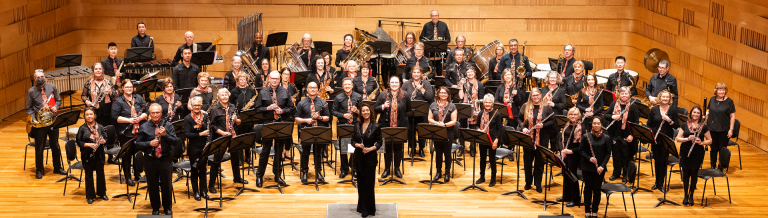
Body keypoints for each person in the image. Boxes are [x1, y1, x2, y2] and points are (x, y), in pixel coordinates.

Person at [254, 71, 296, 187]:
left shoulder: (285, 91)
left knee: (279, 151)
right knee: (265, 151)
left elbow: (291, 109)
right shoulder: (262, 92)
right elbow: (257, 109)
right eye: (272, 79)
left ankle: (277, 175)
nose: (274, 81)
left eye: (277, 79)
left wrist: (282, 111)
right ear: (269, 79)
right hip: (268, 124)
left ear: (279, 79)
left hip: (280, 124)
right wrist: (267, 108)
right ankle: (259, 176)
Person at [135, 103, 178, 215]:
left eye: (157, 112)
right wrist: (149, 143)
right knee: (152, 185)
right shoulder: (144, 126)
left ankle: (167, 207)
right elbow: (138, 144)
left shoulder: (168, 125)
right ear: (150, 113)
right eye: (153, 112)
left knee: (166, 184)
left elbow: (175, 141)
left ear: (161, 113)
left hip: (165, 159)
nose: (155, 115)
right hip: (150, 160)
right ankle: (155, 207)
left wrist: (165, 135)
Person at [27, 69, 65, 179]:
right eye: (37, 77)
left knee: (55, 146)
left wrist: (56, 107)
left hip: (52, 121)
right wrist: (34, 120)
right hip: (40, 124)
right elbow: (28, 108)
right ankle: (39, 169)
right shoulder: (31, 91)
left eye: (41, 76)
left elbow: (58, 101)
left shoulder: (52, 87)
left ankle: (57, 167)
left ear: (45, 76)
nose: (40, 79)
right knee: (39, 148)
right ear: (34, 79)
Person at [207, 88, 246, 190]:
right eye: (222, 95)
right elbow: (212, 126)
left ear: (229, 96)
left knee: (235, 158)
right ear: (219, 97)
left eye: (226, 95)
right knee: (216, 161)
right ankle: (211, 185)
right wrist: (223, 133)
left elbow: (239, 122)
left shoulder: (233, 106)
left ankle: (237, 178)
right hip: (221, 137)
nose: (224, 97)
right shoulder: (215, 109)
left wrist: (236, 119)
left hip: (233, 136)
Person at [111, 79, 148, 186]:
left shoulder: (138, 98)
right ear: (122, 88)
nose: (129, 89)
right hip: (125, 133)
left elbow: (146, 111)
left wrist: (140, 118)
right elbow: (114, 118)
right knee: (127, 156)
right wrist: (129, 120)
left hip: (139, 131)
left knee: (137, 153)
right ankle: (127, 177)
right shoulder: (118, 101)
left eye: (130, 87)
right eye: (127, 87)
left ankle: (137, 174)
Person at [295, 82, 331, 184]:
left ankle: (318, 172)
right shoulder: (301, 103)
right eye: (310, 87)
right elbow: (297, 119)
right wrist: (306, 120)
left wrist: (319, 117)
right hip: (307, 130)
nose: (312, 89)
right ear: (307, 89)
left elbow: (327, 117)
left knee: (318, 153)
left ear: (317, 89)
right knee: (305, 152)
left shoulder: (323, 102)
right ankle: (305, 172)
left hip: (319, 130)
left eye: (314, 88)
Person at [676, 106, 712, 206]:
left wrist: (701, 142)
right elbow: (678, 139)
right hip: (685, 152)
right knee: (686, 174)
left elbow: (710, 140)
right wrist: (687, 138)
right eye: (694, 112)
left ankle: (691, 195)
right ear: (691, 113)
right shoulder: (684, 125)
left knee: (694, 174)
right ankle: (686, 195)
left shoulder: (703, 126)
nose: (695, 114)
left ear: (700, 115)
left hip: (697, 153)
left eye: (698, 113)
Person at [376, 76, 411, 179]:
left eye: (396, 82)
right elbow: (375, 108)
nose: (394, 84)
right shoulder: (383, 94)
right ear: (389, 83)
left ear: (399, 83)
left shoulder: (405, 95)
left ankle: (397, 168)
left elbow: (408, 109)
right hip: (386, 126)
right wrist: (383, 107)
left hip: (400, 126)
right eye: (392, 82)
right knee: (387, 149)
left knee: (398, 148)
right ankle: (387, 169)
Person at [521, 88, 555, 193]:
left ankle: (538, 183)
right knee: (527, 162)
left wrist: (543, 125)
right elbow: (519, 119)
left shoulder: (546, 108)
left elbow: (553, 121)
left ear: (540, 95)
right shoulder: (525, 106)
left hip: (542, 139)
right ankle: (528, 182)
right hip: (528, 139)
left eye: (537, 95)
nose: (535, 97)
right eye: (533, 95)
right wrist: (523, 128)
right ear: (530, 96)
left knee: (539, 162)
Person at [603, 87, 638, 183]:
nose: (624, 95)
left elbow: (636, 123)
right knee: (616, 155)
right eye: (622, 93)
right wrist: (612, 116)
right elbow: (606, 115)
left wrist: (632, 135)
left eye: (626, 94)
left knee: (625, 156)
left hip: (626, 135)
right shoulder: (614, 104)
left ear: (629, 94)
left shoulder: (633, 106)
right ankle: (616, 173)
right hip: (615, 134)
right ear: (619, 94)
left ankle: (625, 174)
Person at [647, 90, 678, 191]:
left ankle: (661, 183)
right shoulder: (654, 109)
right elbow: (649, 124)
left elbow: (677, 125)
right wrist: (650, 134)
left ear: (669, 99)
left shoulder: (673, 110)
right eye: (663, 97)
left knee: (663, 161)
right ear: (660, 98)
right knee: (656, 161)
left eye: (667, 97)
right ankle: (656, 182)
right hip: (655, 138)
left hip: (666, 139)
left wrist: (669, 120)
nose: (665, 99)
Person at [353, 104, 381, 217]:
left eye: (367, 110)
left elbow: (379, 142)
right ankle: (361, 206)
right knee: (361, 182)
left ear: (370, 112)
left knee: (369, 183)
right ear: (360, 113)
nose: (365, 112)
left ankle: (368, 208)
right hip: (359, 156)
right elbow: (352, 140)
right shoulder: (356, 125)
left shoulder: (376, 126)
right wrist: (358, 145)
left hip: (370, 157)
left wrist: (370, 149)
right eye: (363, 111)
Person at [76, 108, 108, 204]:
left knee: (100, 174)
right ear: (84, 116)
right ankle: (90, 196)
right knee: (89, 175)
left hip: (99, 154)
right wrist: (88, 144)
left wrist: (103, 141)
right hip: (87, 154)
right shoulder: (82, 128)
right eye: (87, 114)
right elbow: (78, 142)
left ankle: (102, 193)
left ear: (94, 115)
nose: (89, 116)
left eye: (91, 114)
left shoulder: (101, 127)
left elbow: (106, 138)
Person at [580, 117, 611, 218]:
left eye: (598, 123)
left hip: (600, 169)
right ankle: (587, 210)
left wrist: (602, 166)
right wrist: (589, 158)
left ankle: (595, 211)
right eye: (594, 123)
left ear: (601, 124)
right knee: (588, 189)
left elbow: (608, 153)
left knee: (597, 190)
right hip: (587, 167)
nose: (596, 125)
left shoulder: (606, 138)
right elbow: (581, 151)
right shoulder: (586, 136)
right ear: (591, 124)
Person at [402, 66, 434, 158]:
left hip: (422, 112)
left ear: (421, 74)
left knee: (422, 130)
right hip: (409, 112)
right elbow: (401, 95)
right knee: (410, 131)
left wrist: (422, 90)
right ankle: (412, 148)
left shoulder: (426, 83)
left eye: (418, 72)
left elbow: (430, 97)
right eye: (414, 72)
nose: (416, 74)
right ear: (412, 73)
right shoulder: (407, 84)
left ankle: (421, 148)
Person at [333, 78, 362, 178]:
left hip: (355, 125)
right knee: (344, 149)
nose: (347, 86)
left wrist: (357, 111)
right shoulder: (338, 97)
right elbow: (334, 111)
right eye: (345, 84)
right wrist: (343, 115)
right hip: (343, 125)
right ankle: (344, 169)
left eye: (349, 84)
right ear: (342, 86)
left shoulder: (358, 97)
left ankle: (354, 168)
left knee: (355, 148)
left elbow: (364, 112)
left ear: (352, 85)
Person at [427, 87, 457, 183]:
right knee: (438, 153)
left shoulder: (452, 106)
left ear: (448, 95)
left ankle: (447, 173)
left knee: (447, 153)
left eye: (445, 93)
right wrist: (437, 123)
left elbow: (454, 121)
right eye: (441, 93)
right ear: (438, 94)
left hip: (448, 132)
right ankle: (438, 172)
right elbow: (429, 119)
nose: (443, 94)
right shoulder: (433, 105)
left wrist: (443, 124)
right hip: (437, 132)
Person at [473, 94, 503, 187]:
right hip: (482, 139)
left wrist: (496, 140)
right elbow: (477, 125)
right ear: (483, 103)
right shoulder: (481, 113)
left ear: (492, 103)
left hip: (492, 140)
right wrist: (478, 130)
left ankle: (493, 179)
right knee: (482, 159)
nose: (487, 104)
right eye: (486, 102)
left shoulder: (496, 114)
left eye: (489, 102)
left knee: (492, 159)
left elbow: (500, 128)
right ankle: (482, 177)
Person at [183, 96, 209, 201]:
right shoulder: (188, 119)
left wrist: (208, 141)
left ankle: (204, 190)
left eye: (198, 105)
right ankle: (196, 192)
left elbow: (209, 130)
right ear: (191, 107)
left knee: (203, 170)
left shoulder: (206, 116)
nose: (197, 107)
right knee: (195, 170)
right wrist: (201, 134)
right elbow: (188, 135)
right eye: (194, 105)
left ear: (201, 106)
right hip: (193, 148)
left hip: (204, 146)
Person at [707, 83, 735, 170]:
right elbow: (708, 110)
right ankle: (712, 166)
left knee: (722, 149)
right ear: (716, 91)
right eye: (719, 90)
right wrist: (705, 114)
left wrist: (731, 129)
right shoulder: (712, 99)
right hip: (712, 128)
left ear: (725, 91)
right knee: (713, 148)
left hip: (723, 129)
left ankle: (721, 167)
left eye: (723, 90)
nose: (721, 92)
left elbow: (732, 116)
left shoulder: (729, 101)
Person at [458, 66, 485, 157]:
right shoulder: (464, 84)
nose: (469, 74)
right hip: (465, 107)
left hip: (475, 109)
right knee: (462, 128)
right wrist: (461, 86)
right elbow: (461, 97)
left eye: (471, 72)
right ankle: (461, 147)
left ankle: (472, 147)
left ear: (474, 73)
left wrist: (475, 103)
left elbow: (481, 98)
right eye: (468, 72)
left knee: (473, 128)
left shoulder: (480, 84)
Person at [559, 107, 582, 207]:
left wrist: (570, 151)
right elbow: (562, 139)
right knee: (565, 174)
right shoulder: (568, 124)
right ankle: (566, 196)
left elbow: (582, 146)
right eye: (571, 114)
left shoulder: (581, 127)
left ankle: (575, 199)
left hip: (574, 154)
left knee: (572, 176)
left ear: (579, 115)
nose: (573, 116)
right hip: (565, 153)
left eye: (575, 114)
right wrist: (562, 150)